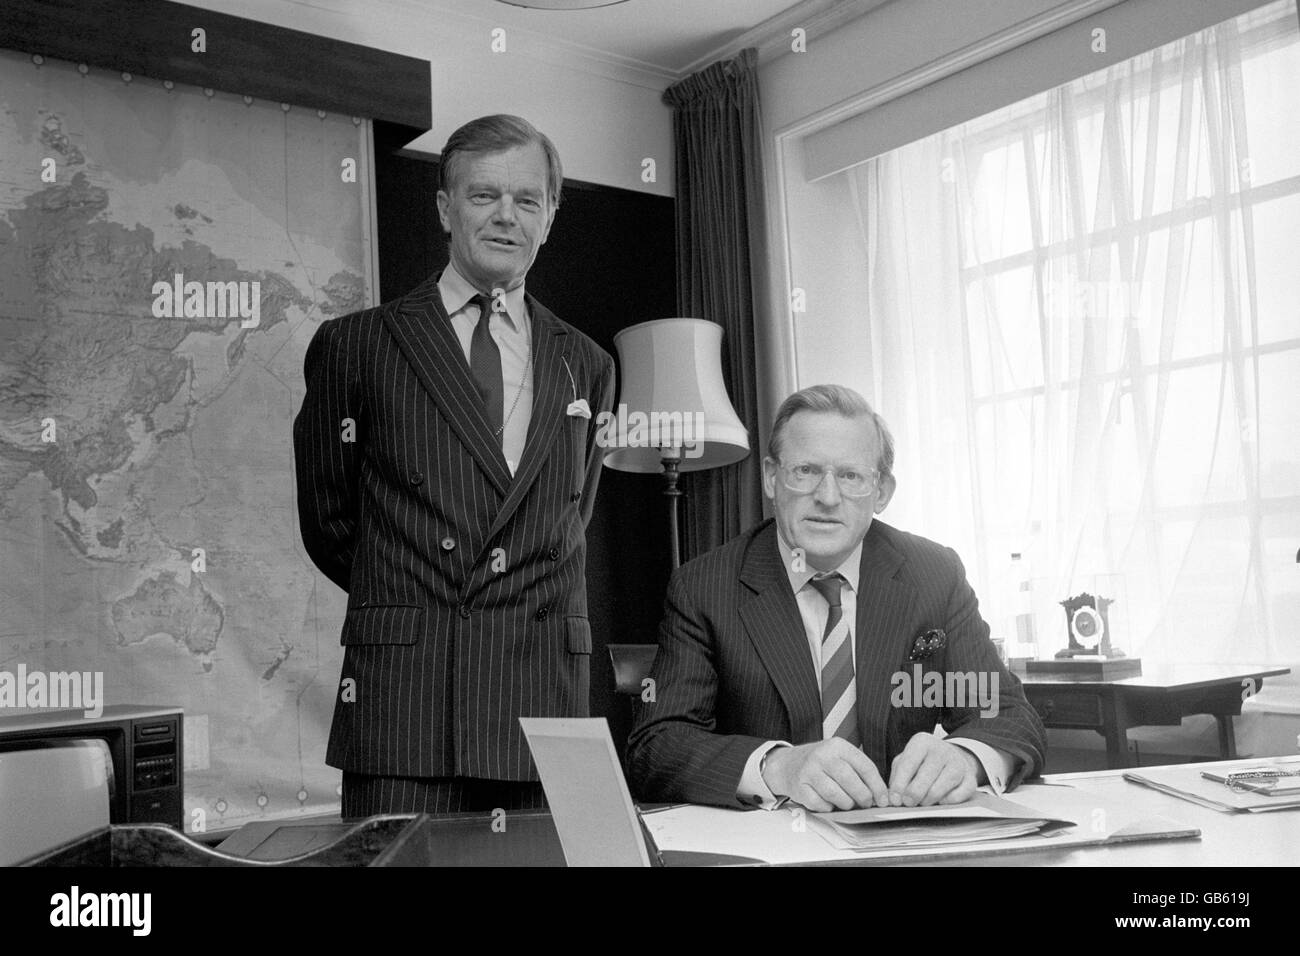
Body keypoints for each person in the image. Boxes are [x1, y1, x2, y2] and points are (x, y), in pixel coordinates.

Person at [293, 115, 615, 817]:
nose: (507, 216)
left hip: (542, 710)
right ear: (445, 208)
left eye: (528, 200)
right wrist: (421, 590)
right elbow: (330, 521)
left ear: (551, 215)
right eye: (484, 196)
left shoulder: (589, 364)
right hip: (406, 712)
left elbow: (564, 515)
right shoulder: (357, 346)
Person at [627, 384, 1046, 810]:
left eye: (850, 476)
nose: (828, 497)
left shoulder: (934, 575)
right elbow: (656, 746)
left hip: (903, 842)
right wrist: (779, 767)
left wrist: (965, 758)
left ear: (881, 492)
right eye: (805, 471)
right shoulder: (704, 587)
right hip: (773, 847)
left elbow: (1007, 713)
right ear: (772, 477)